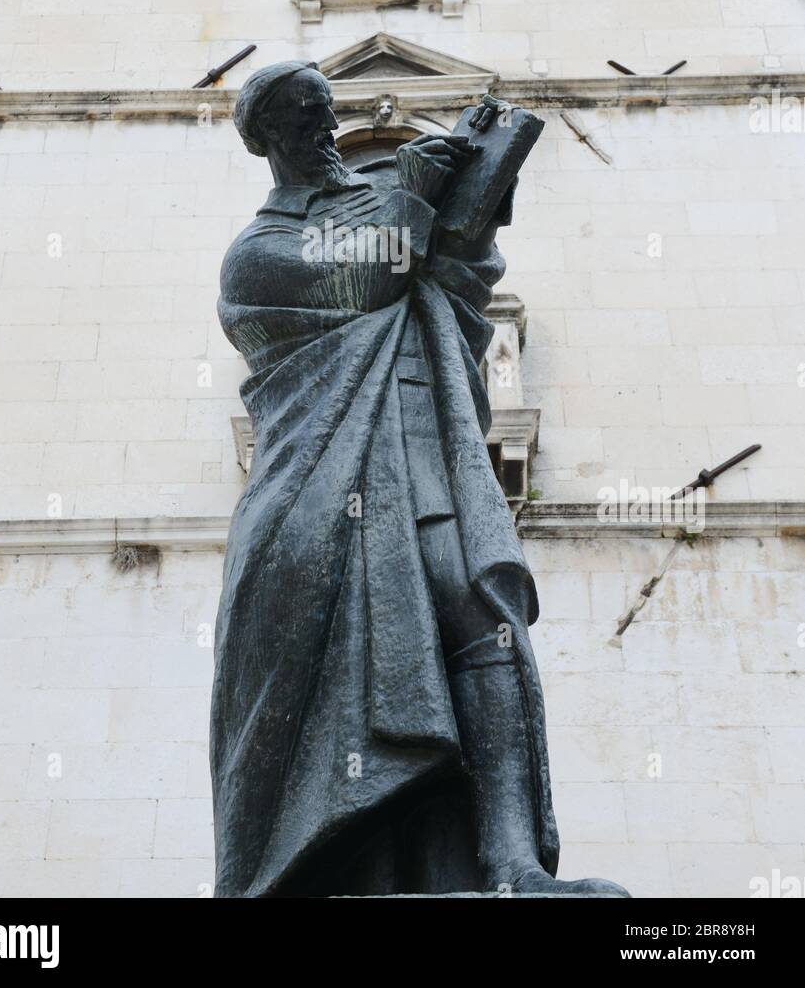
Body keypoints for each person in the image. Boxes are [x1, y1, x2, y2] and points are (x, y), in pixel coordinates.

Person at [210, 61, 628, 899]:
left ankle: (509, 865)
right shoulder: (256, 254)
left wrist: (473, 190)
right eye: (301, 120)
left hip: (423, 444)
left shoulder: (372, 204)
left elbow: (457, 277)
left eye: (326, 113)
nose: (323, 133)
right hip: (322, 484)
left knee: (482, 618)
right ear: (263, 139)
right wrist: (412, 198)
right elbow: (370, 276)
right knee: (359, 655)